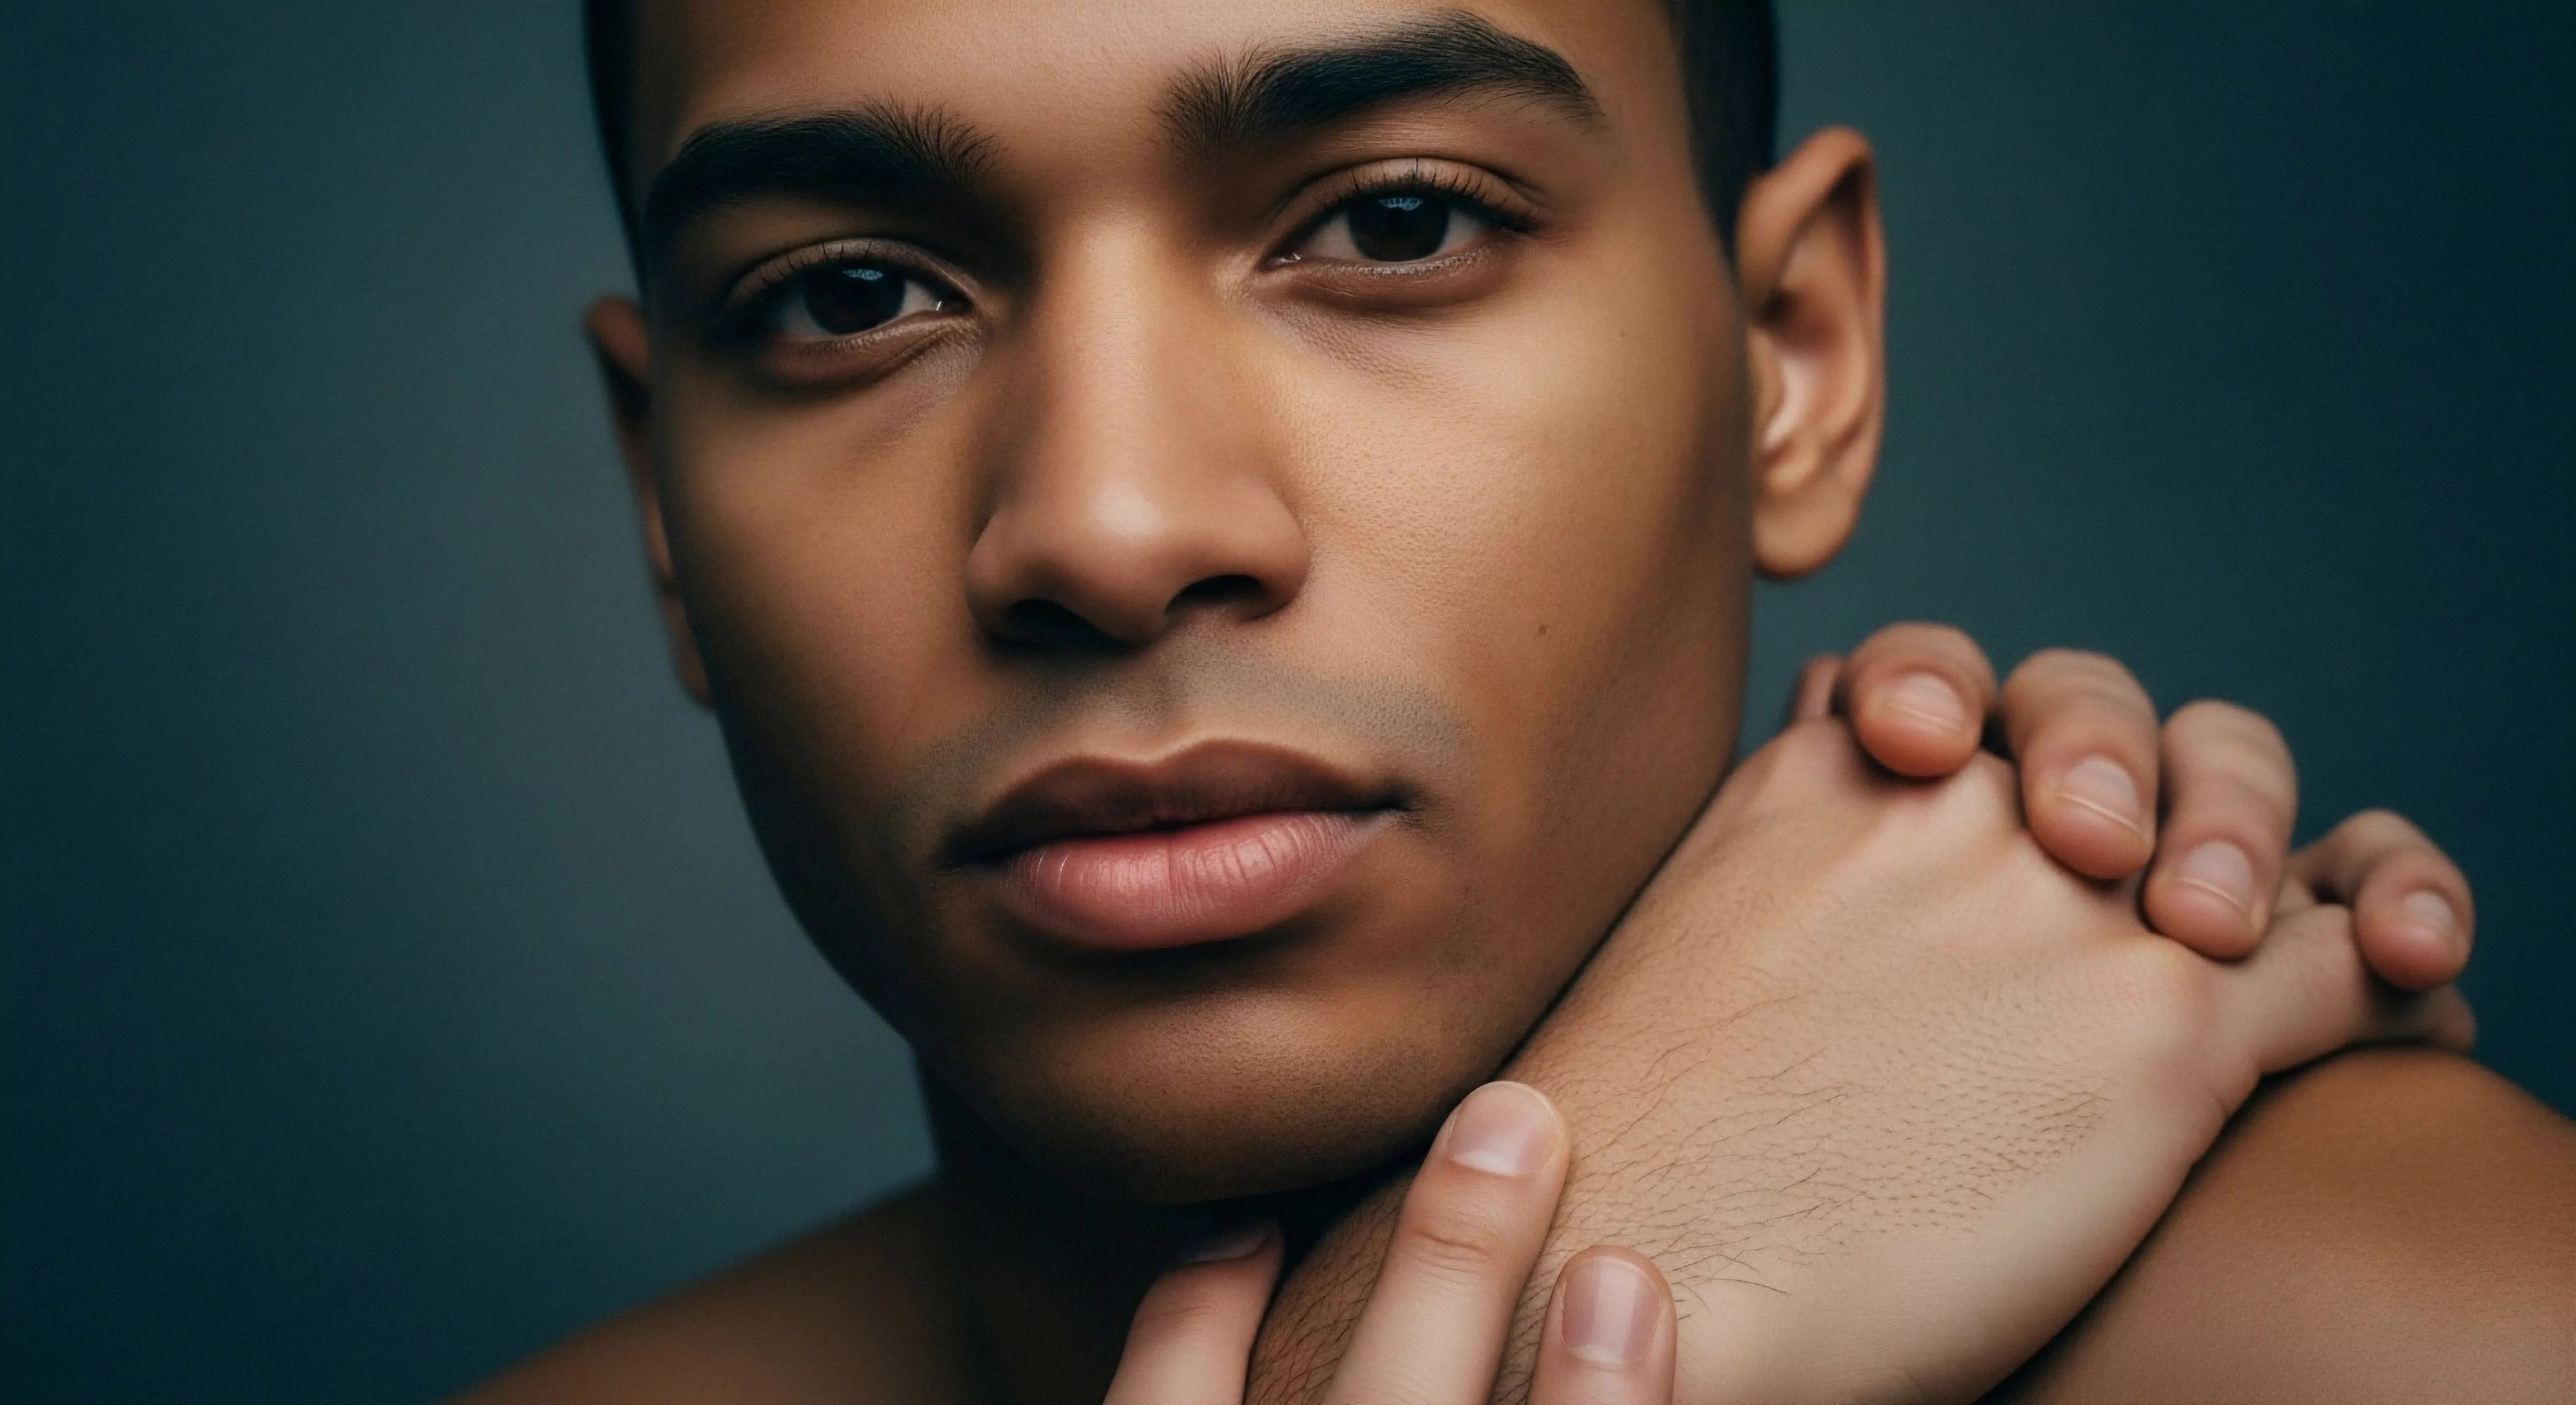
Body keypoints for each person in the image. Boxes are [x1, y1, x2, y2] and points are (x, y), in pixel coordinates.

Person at [468, 0, 2576, 1399]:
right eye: (851, 297)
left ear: (1793, 358)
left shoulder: (2445, 1336)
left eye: (1393, 225)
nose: (1106, 520)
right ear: (660, 501)